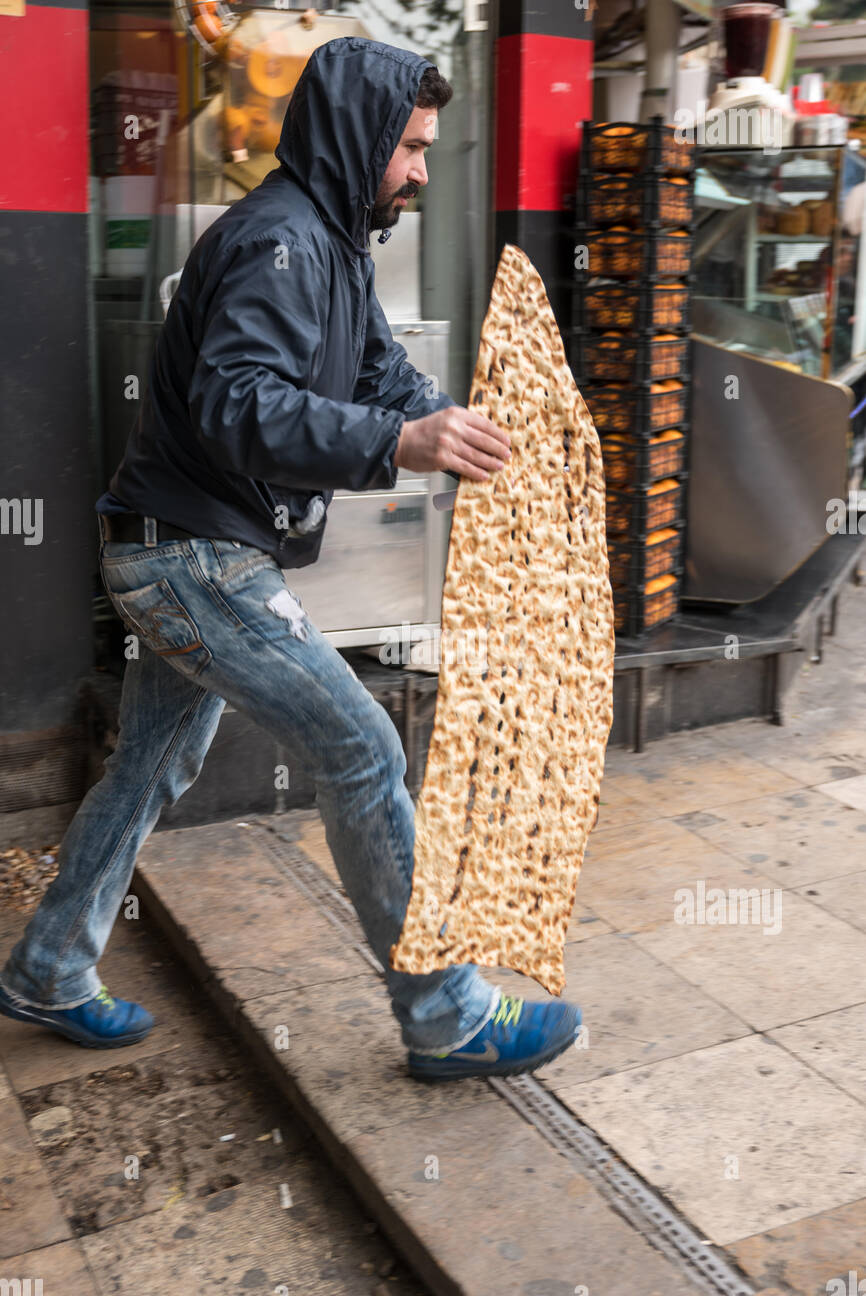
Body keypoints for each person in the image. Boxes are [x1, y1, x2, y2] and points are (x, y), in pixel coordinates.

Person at [0, 37, 581, 1082]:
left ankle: (47, 967)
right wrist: (394, 446)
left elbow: (375, 369)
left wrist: (452, 422)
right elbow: (237, 404)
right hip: (193, 563)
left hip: (178, 548)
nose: (418, 169)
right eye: (407, 146)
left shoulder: (331, 242)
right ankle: (445, 1013)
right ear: (358, 136)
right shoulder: (280, 242)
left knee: (148, 764)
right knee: (360, 747)